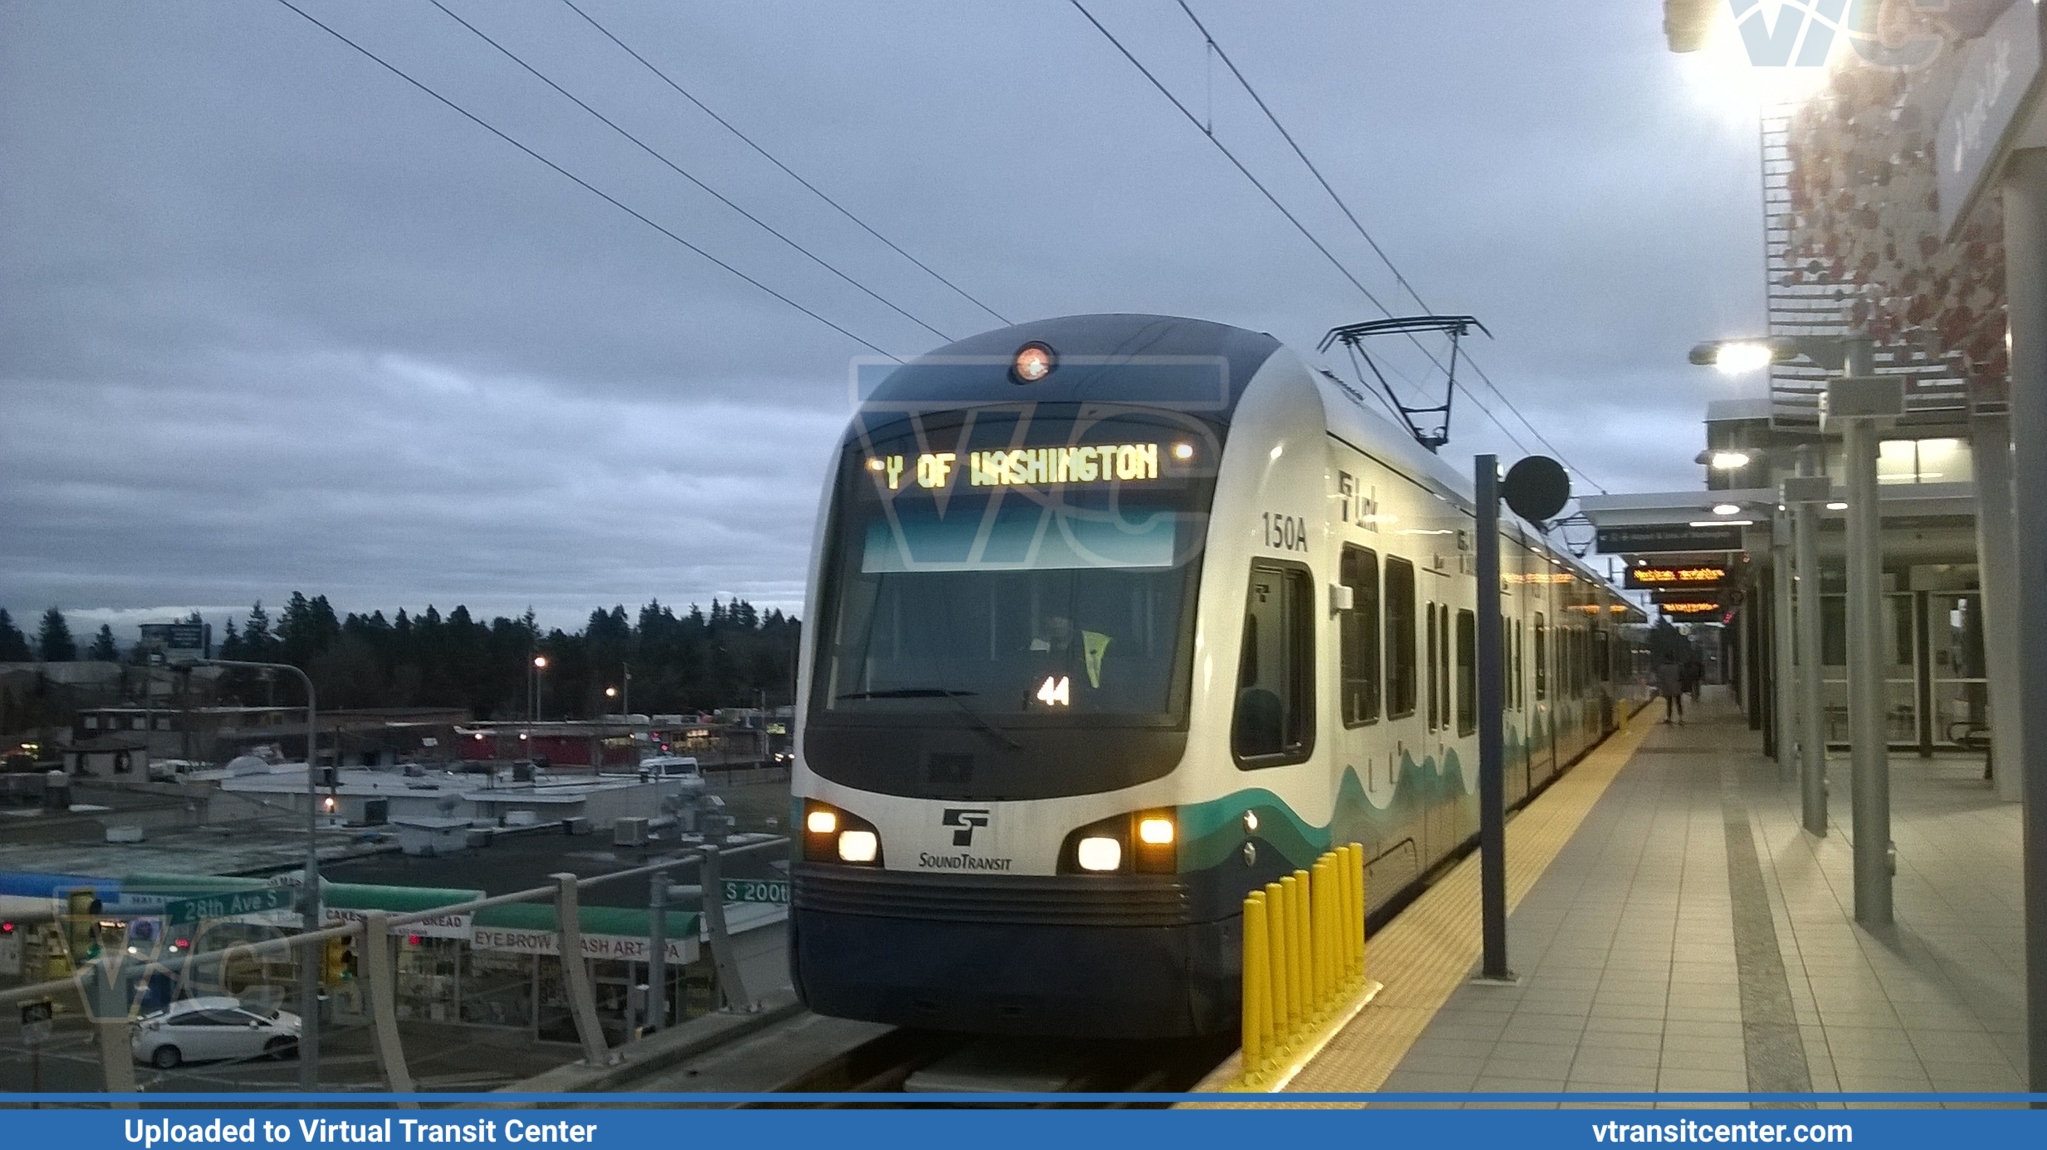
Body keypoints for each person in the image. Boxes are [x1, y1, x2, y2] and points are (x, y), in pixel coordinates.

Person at [1655, 655, 1685, 724]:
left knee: (1669, 703)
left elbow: (1660, 679)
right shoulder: (1677, 667)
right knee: (1678, 702)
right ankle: (1681, 718)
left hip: (1667, 687)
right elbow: (1681, 677)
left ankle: (1669, 717)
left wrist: (1660, 688)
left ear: (1665, 659)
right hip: (1676, 687)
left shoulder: (1661, 668)